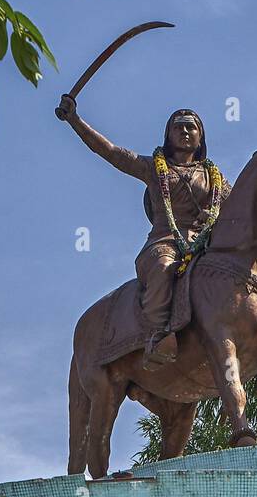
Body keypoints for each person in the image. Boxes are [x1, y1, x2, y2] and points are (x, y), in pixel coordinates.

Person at [55, 95, 226, 368]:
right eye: (178, 126)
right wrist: (75, 120)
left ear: (200, 136)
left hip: (204, 247)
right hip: (165, 243)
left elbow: (244, 202)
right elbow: (110, 152)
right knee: (162, 269)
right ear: (168, 135)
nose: (184, 131)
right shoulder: (153, 168)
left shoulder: (215, 178)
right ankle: (157, 338)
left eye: (191, 127)